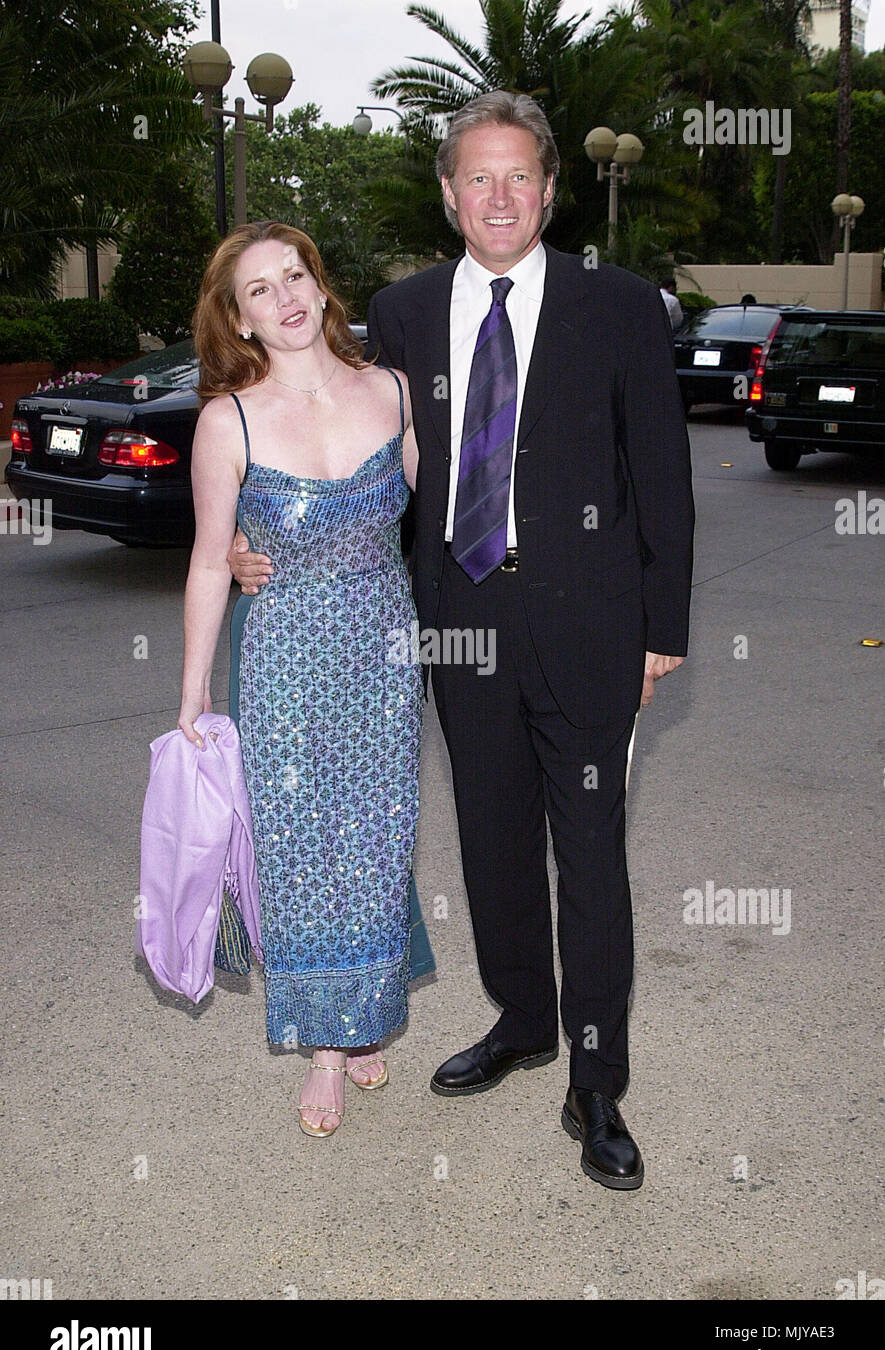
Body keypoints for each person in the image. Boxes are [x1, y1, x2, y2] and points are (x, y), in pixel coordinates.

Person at [228, 94, 695, 1189]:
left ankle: (595, 1080)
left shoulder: (619, 306)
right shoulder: (401, 310)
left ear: (548, 188)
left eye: (518, 176)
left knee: (588, 854)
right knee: (489, 842)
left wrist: (661, 628)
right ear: (449, 195)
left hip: (589, 628)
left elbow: (663, 479)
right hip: (458, 627)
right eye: (475, 178)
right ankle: (523, 1019)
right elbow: (317, 417)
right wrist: (255, 535)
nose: (498, 197)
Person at [179, 221, 422, 1137]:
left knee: (377, 838)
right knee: (299, 850)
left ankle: (364, 1021)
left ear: (320, 288)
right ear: (238, 321)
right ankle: (324, 1048)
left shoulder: (393, 393)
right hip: (283, 657)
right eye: (258, 291)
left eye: (294, 277)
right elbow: (209, 562)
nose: (283, 299)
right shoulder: (227, 420)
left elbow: (444, 522)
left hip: (383, 655)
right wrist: (193, 694)